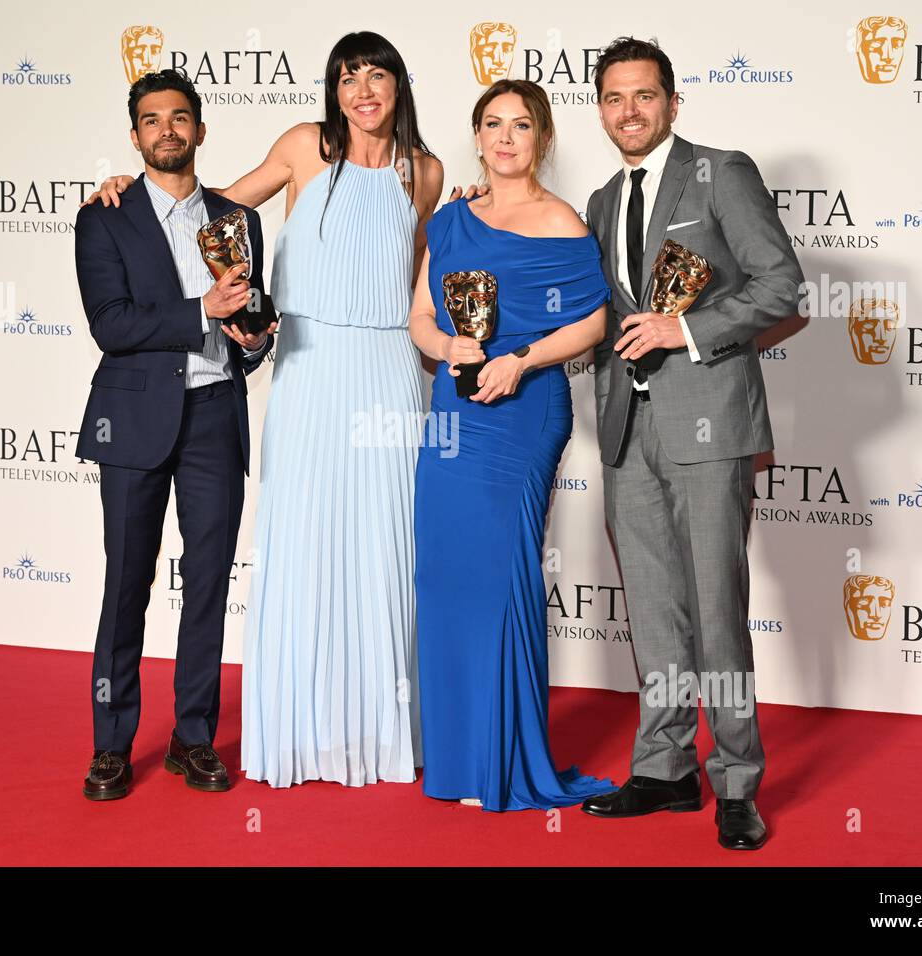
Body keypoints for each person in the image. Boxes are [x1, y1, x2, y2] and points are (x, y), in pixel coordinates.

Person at [87, 33, 444, 788]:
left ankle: (377, 729)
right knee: (304, 543)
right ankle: (296, 732)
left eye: (376, 74)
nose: (362, 90)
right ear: (333, 90)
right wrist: (127, 186)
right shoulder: (303, 147)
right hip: (312, 372)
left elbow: (418, 277)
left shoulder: (429, 172)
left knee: (384, 550)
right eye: (347, 77)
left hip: (388, 376)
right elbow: (207, 210)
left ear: (398, 84)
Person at [579, 37, 803, 849]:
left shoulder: (721, 171)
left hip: (709, 424)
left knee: (717, 610)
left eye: (644, 96)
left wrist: (688, 329)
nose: (629, 111)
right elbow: (599, 314)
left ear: (672, 102)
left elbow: (783, 283)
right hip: (627, 432)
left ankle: (737, 780)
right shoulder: (604, 199)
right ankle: (666, 768)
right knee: (656, 613)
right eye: (614, 98)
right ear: (599, 109)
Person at [408, 79, 615, 811]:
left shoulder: (562, 222)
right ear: (476, 137)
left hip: (523, 412)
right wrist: (449, 345)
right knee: (443, 574)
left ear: (542, 140)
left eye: (519, 126)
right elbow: (421, 318)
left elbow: (592, 323)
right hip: (454, 410)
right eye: (491, 125)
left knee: (502, 578)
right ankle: (458, 759)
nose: (504, 138)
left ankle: (504, 758)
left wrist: (521, 360)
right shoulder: (451, 220)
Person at [74, 69, 277, 801]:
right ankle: (110, 744)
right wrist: (200, 311)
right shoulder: (105, 216)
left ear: (200, 128)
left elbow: (244, 328)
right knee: (126, 581)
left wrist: (255, 335)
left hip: (216, 414)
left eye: (180, 117)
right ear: (136, 136)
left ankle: (193, 737)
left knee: (207, 584)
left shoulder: (236, 218)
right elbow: (112, 323)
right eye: (153, 120)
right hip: (133, 420)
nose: (168, 130)